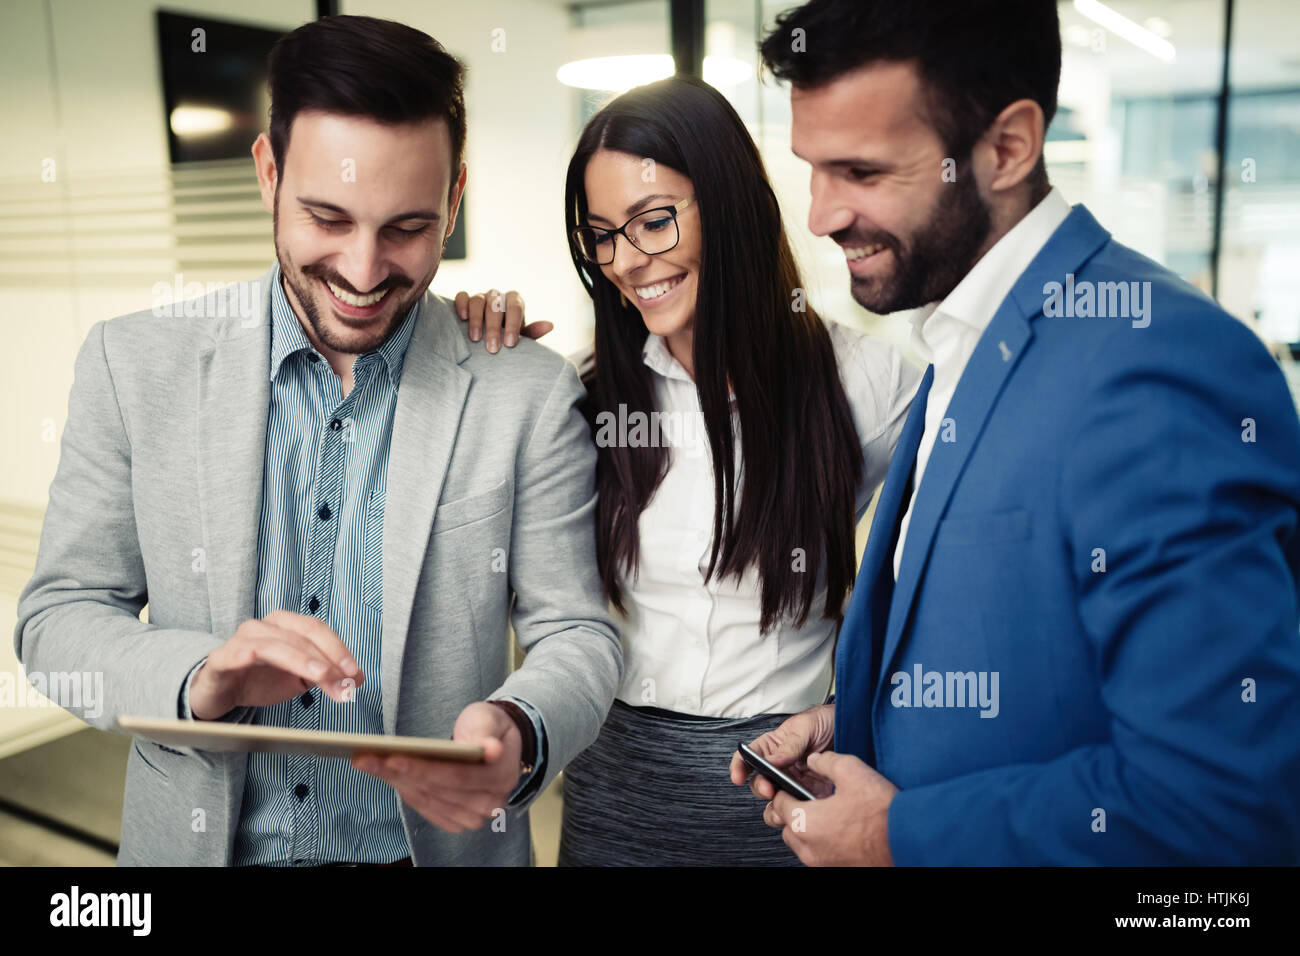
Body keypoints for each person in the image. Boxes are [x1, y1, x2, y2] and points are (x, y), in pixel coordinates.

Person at [13, 15, 622, 867]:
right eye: (327, 218)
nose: (365, 273)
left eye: (407, 228)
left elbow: (577, 635)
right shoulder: (133, 364)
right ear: (267, 174)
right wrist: (201, 678)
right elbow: (58, 620)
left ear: (454, 199)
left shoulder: (525, 388)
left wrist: (521, 727)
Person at [733, 0, 1300, 865]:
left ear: (1007, 148)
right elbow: (1036, 659)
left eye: (862, 171)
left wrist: (898, 835)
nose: (820, 215)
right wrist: (867, 715)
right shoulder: (960, 332)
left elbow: (1217, 808)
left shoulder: (1158, 366)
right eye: (813, 168)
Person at [464, 75, 920, 865]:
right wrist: (463, 344)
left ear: (731, 203)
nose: (627, 262)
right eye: (602, 235)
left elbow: (936, 610)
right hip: (615, 789)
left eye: (654, 222)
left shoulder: (870, 385)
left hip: (784, 790)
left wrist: (855, 712)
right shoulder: (587, 395)